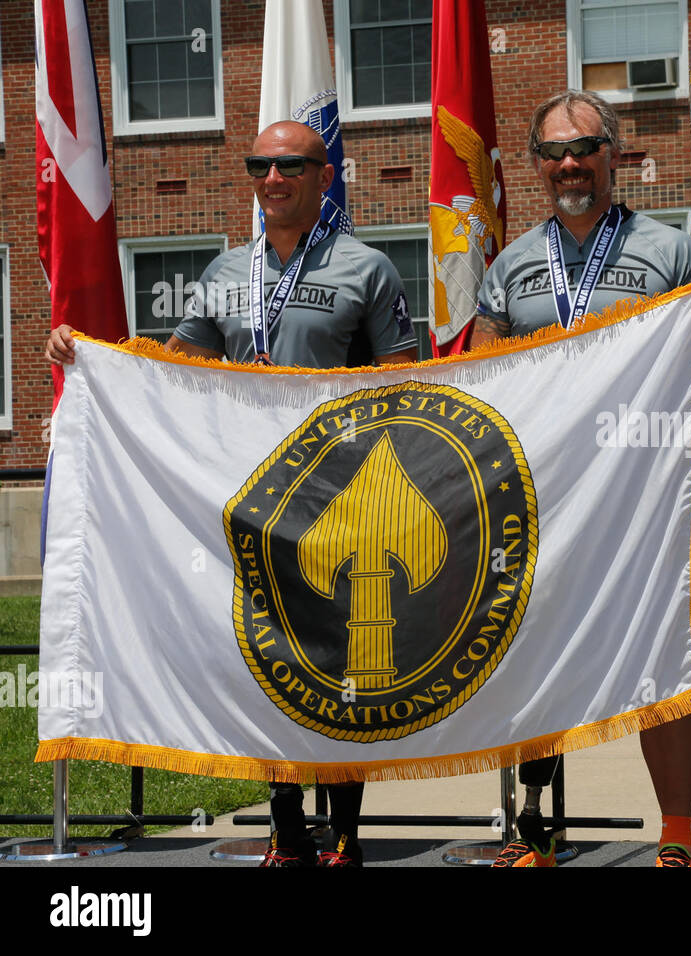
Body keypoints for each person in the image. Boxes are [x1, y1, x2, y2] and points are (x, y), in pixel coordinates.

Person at [46, 120, 418, 868]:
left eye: (289, 164)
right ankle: (285, 827)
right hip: (249, 498)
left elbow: (404, 380)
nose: (272, 178)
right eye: (260, 165)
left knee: (344, 661)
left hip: (340, 497)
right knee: (267, 654)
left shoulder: (368, 267)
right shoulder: (222, 272)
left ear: (323, 176)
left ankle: (345, 831)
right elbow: (176, 367)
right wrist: (88, 356)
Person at [472, 90, 691, 868]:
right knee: (529, 654)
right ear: (534, 164)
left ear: (614, 156)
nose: (569, 164)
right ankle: (529, 827)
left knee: (661, 657)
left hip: (645, 496)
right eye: (554, 151)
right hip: (541, 498)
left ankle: (676, 835)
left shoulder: (673, 254)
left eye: (584, 148)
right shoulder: (512, 265)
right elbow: (480, 375)